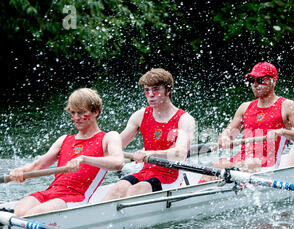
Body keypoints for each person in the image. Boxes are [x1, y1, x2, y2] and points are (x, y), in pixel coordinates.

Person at [9, 88, 125, 217]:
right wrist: (20, 171)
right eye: (73, 113)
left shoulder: (109, 137)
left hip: (75, 197)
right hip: (51, 192)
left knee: (34, 214)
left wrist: (84, 159)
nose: (76, 118)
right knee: (18, 211)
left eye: (81, 113)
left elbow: (118, 162)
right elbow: (37, 166)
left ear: (95, 112)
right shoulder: (64, 140)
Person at [199, 62, 294, 182]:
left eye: (260, 80)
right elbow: (228, 133)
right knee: (215, 166)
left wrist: (283, 132)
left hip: (266, 164)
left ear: (273, 81)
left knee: (243, 164)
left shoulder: (287, 106)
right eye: (252, 80)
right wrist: (224, 138)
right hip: (242, 161)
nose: (255, 85)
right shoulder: (244, 107)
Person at [103, 68, 195, 200]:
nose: (150, 94)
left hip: (171, 175)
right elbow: (117, 145)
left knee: (136, 190)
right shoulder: (139, 116)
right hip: (146, 171)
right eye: (147, 90)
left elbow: (180, 153)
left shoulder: (184, 119)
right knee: (118, 187)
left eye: (156, 89)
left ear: (168, 91)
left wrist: (150, 153)